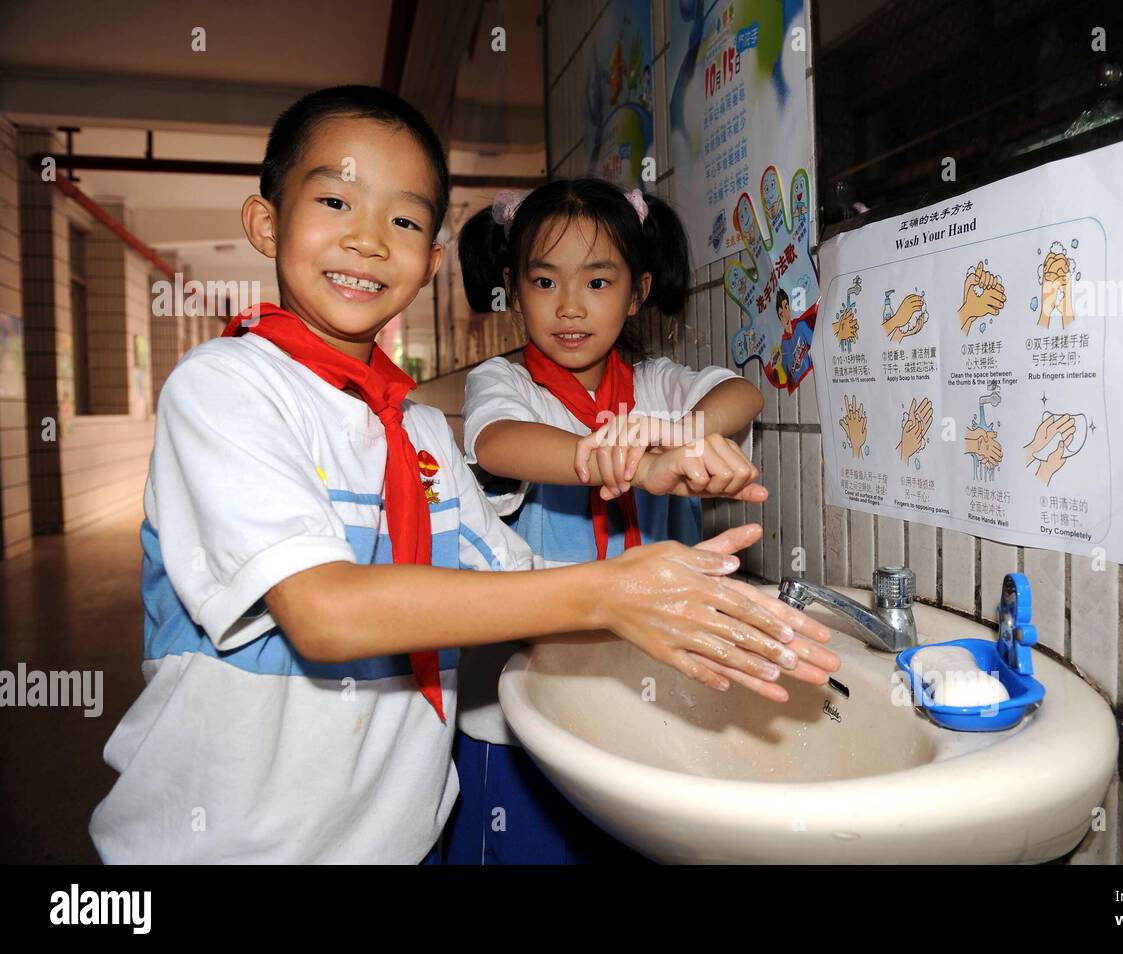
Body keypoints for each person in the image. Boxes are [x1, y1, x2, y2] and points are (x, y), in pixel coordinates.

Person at [87, 86, 838, 864]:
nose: (368, 240)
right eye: (337, 202)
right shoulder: (225, 388)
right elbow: (323, 612)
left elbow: (517, 585)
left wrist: (688, 599)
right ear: (266, 222)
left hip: (396, 844)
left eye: (405, 221)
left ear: (433, 262)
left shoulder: (416, 431)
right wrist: (612, 590)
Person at [445, 177, 790, 863]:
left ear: (637, 293)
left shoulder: (657, 384)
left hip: (647, 695)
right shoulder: (502, 383)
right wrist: (621, 460)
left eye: (598, 283)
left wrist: (678, 436)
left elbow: (741, 394)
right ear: (512, 288)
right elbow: (499, 442)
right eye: (545, 282)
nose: (570, 306)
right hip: (518, 709)